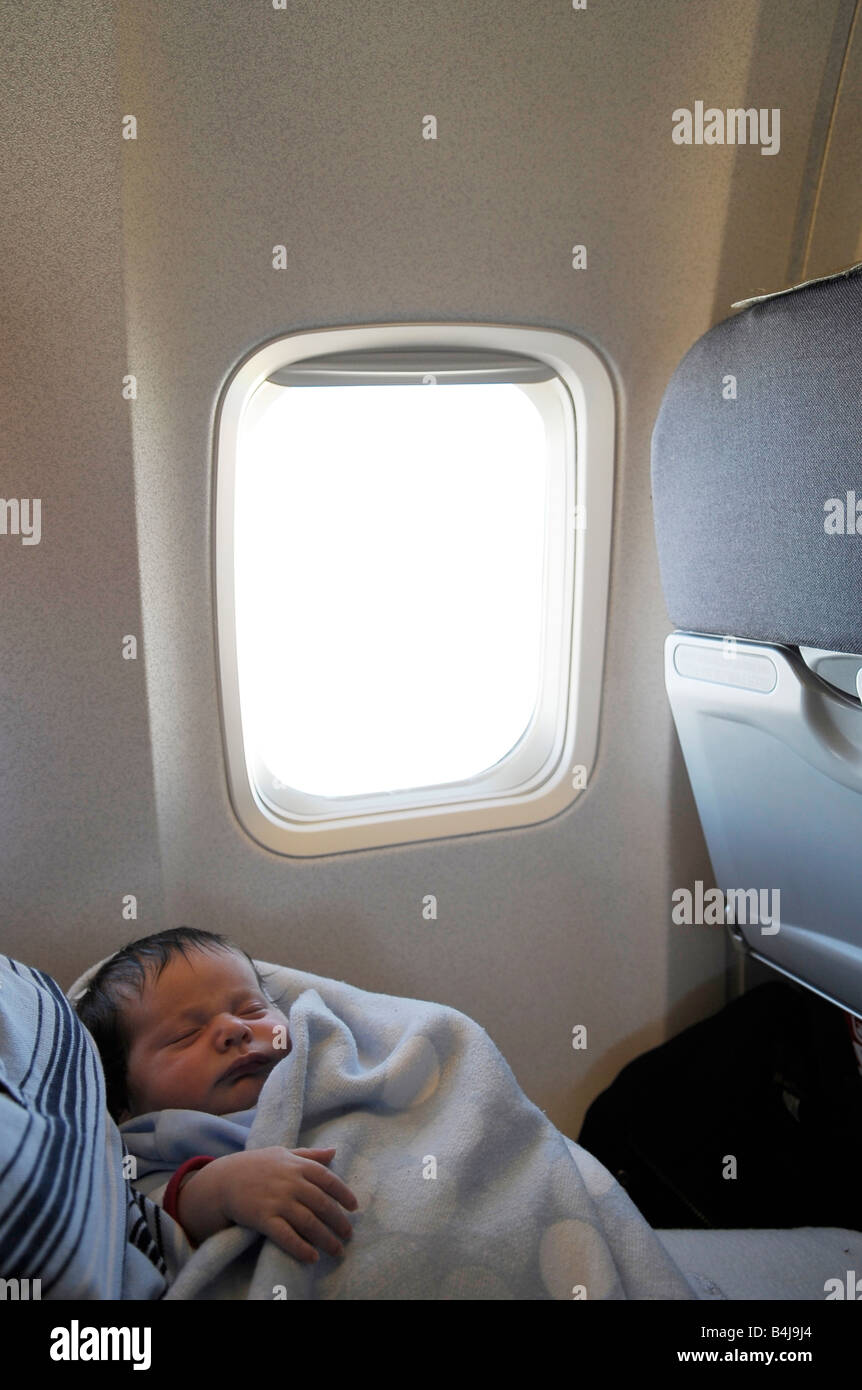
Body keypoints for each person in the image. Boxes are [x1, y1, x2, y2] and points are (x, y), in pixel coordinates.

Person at [75, 927, 357, 1263]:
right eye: (186, 1035)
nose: (235, 1029)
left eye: (252, 1009)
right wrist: (222, 1190)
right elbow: (150, 1220)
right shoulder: (150, 1144)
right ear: (124, 1103)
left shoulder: (325, 1061)